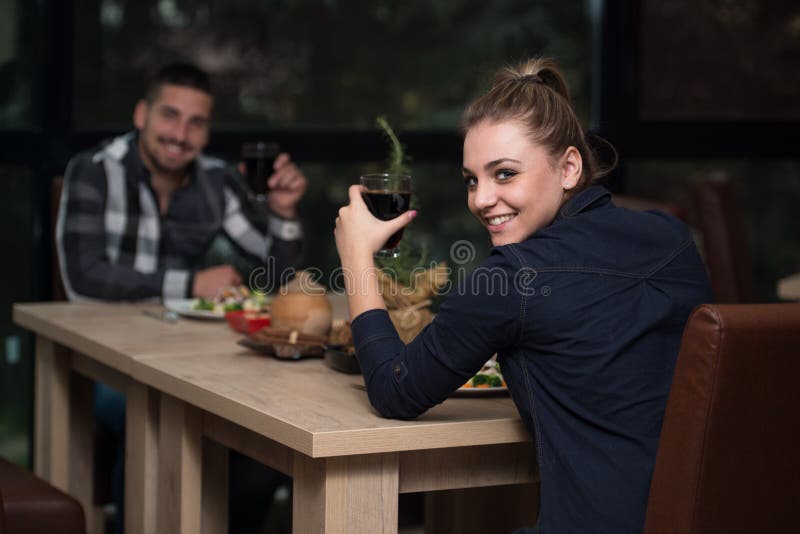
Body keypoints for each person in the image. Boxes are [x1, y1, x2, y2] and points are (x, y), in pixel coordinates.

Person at [334, 57, 712, 533]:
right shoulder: (673, 239)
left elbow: (394, 389)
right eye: (472, 180)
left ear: (569, 167)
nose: (480, 199)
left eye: (505, 174)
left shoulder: (512, 277)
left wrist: (356, 258)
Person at [56, 62, 305, 534]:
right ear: (142, 115)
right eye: (169, 116)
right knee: (150, 410)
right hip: (107, 359)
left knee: (268, 423)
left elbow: (278, 276)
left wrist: (283, 213)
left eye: (196, 123)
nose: (180, 134)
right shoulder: (94, 170)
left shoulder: (215, 181)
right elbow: (84, 278)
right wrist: (190, 284)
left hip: (190, 357)